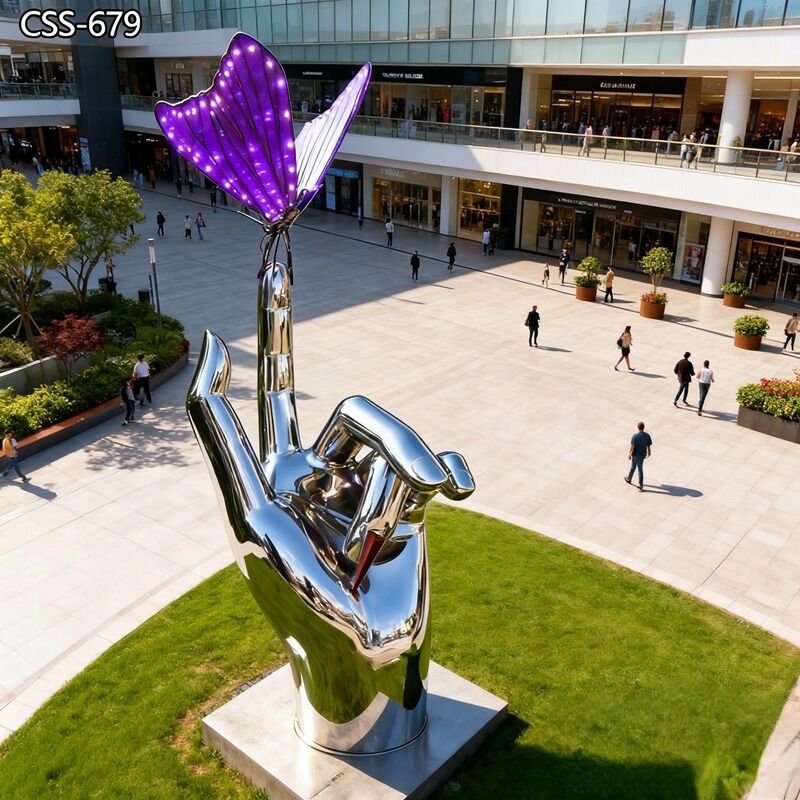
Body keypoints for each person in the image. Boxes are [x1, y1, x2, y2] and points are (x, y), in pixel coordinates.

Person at [624, 421, 652, 491]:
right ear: (643, 427)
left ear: (638, 427)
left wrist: (629, 454)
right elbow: (648, 445)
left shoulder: (635, 436)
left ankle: (640, 485)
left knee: (639, 469)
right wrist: (649, 452)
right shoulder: (647, 435)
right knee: (633, 466)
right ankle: (629, 478)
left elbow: (632, 447)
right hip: (642, 455)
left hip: (635, 455)